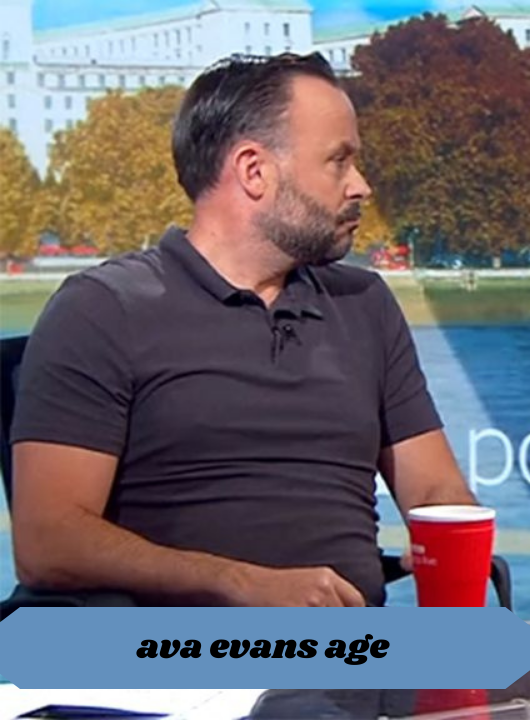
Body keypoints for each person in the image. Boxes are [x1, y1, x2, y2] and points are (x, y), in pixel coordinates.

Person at [9, 52, 476, 608]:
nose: (361, 186)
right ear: (254, 171)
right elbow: (49, 542)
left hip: (355, 649)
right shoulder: (103, 309)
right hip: (171, 651)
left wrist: (452, 533)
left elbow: (435, 489)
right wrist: (240, 583)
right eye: (338, 161)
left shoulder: (365, 303)